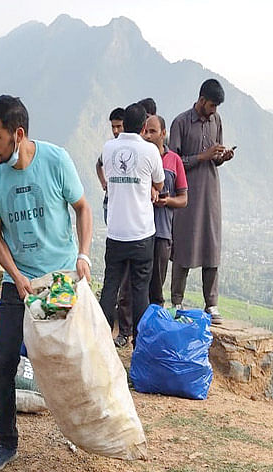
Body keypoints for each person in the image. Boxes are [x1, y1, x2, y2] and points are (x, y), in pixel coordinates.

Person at [0, 95, 92, 472]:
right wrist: (15, 275)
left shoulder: (56, 160)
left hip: (60, 278)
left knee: (70, 359)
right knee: (5, 360)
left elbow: (83, 208)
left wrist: (84, 255)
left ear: (18, 133)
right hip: (20, 280)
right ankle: (6, 441)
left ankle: (83, 431)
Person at [168, 79, 233, 324]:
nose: (215, 110)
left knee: (211, 245)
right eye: (212, 105)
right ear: (202, 99)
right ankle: (177, 302)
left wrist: (222, 157)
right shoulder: (181, 122)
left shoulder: (216, 121)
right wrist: (202, 156)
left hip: (211, 193)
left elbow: (214, 159)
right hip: (187, 194)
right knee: (184, 245)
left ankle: (211, 304)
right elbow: (173, 161)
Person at [99, 103, 164, 346]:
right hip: (141, 233)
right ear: (145, 126)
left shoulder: (108, 148)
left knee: (110, 285)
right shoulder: (149, 151)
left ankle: (102, 340)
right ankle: (140, 343)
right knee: (140, 289)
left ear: (124, 124)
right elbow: (159, 184)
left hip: (116, 231)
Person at [95, 107, 132, 344]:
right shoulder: (110, 149)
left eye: (119, 126)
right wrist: (104, 183)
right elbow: (98, 164)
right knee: (116, 275)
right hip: (115, 215)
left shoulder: (129, 151)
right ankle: (107, 330)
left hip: (128, 221)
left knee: (122, 275)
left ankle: (122, 327)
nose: (116, 131)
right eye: (113, 127)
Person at [142, 114, 188, 306]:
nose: (148, 136)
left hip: (162, 232)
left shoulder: (174, 160)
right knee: (135, 285)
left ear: (163, 133)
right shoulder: (140, 156)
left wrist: (167, 200)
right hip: (139, 231)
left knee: (156, 287)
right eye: (145, 131)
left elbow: (183, 199)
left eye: (153, 131)